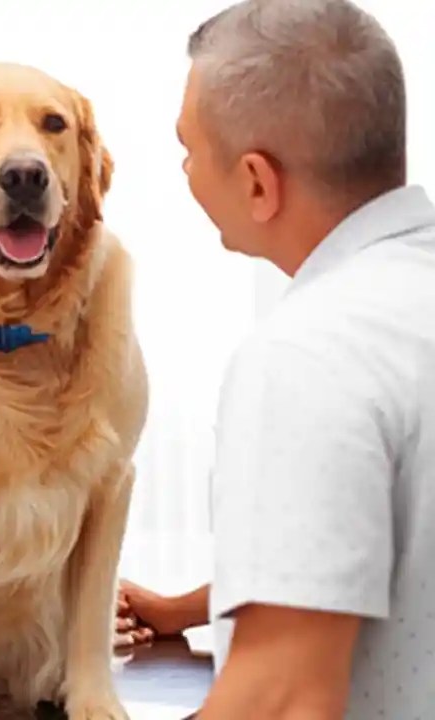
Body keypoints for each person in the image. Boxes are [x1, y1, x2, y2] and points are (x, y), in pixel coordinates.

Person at [173, 0, 435, 717]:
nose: (187, 171)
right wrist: (199, 606)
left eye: (188, 149)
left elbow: (282, 698)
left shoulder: (309, 355)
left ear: (258, 182)